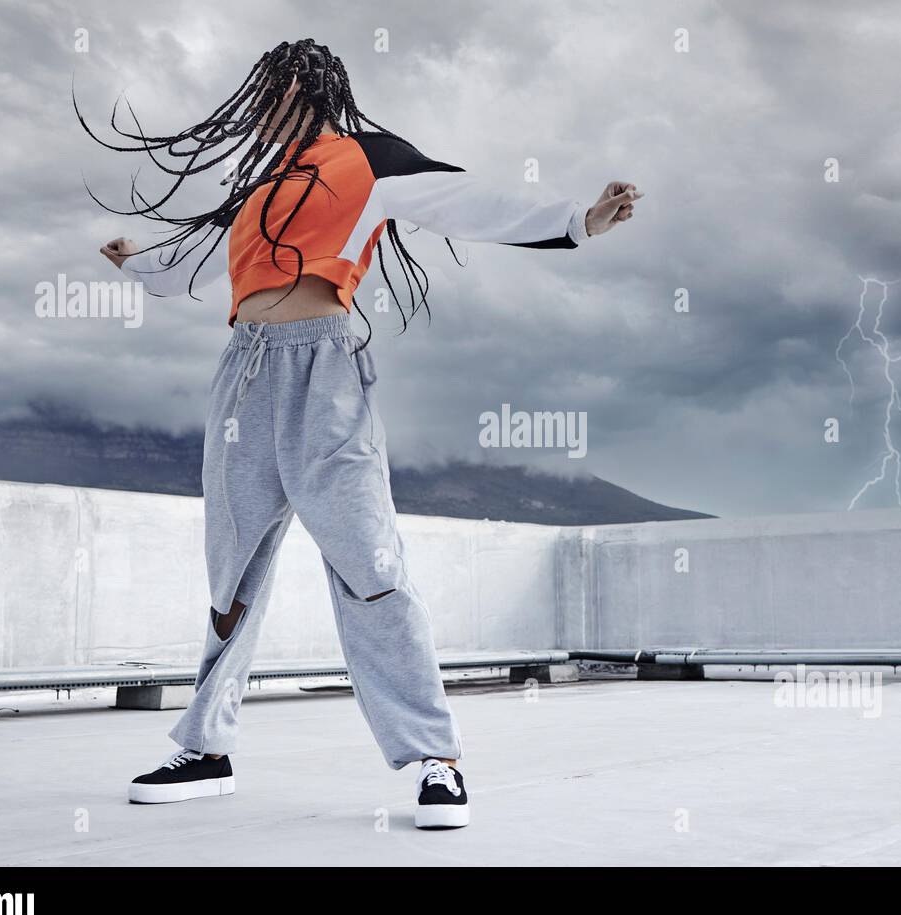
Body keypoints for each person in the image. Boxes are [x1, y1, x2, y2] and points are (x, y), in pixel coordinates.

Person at [86, 39, 641, 829]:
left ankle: (433, 759)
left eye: (275, 92)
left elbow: (473, 200)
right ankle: (205, 748)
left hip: (325, 372)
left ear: (310, 90)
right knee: (229, 572)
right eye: (260, 94)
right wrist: (137, 262)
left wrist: (580, 222)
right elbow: (196, 264)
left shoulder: (368, 160)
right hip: (243, 378)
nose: (263, 107)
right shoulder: (257, 187)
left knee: (368, 560)